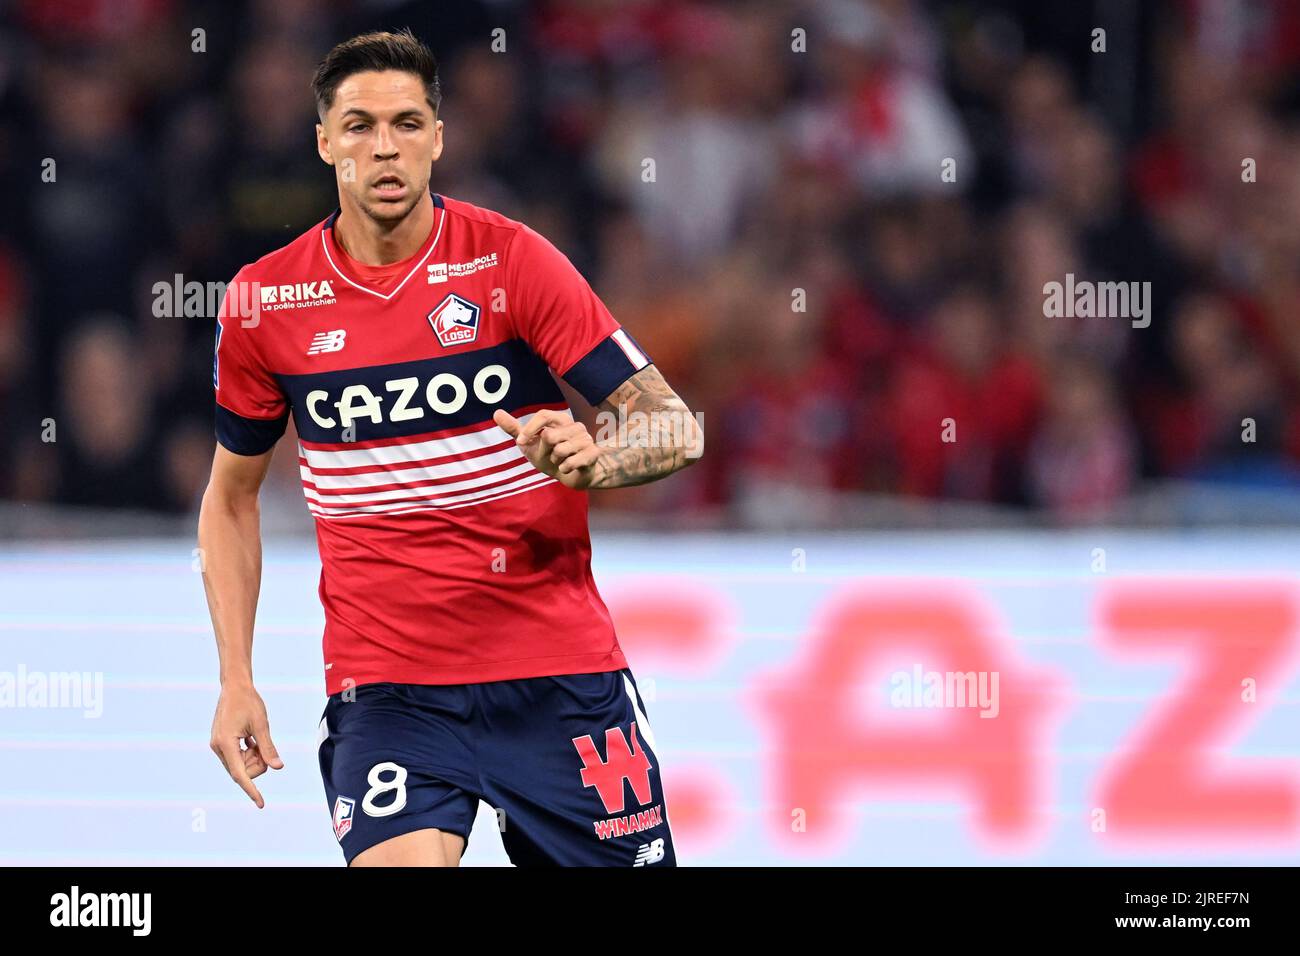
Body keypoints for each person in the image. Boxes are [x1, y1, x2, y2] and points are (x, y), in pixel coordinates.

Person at [198, 29, 702, 867]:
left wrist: (594, 460)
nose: (384, 147)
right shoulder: (265, 302)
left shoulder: (513, 263)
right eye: (358, 126)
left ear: (438, 137)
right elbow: (230, 498)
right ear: (324, 142)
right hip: (390, 694)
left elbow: (671, 423)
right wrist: (235, 678)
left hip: (557, 676)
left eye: (405, 123)